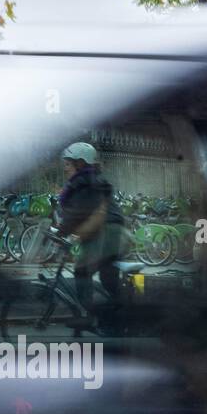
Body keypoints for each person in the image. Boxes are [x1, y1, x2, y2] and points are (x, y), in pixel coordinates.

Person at [56, 142, 126, 331]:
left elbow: (79, 211)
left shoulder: (85, 181)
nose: (65, 168)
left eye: (68, 164)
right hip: (115, 232)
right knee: (109, 279)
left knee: (82, 272)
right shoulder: (93, 179)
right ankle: (121, 317)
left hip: (105, 231)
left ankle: (89, 316)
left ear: (80, 163)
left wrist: (61, 231)